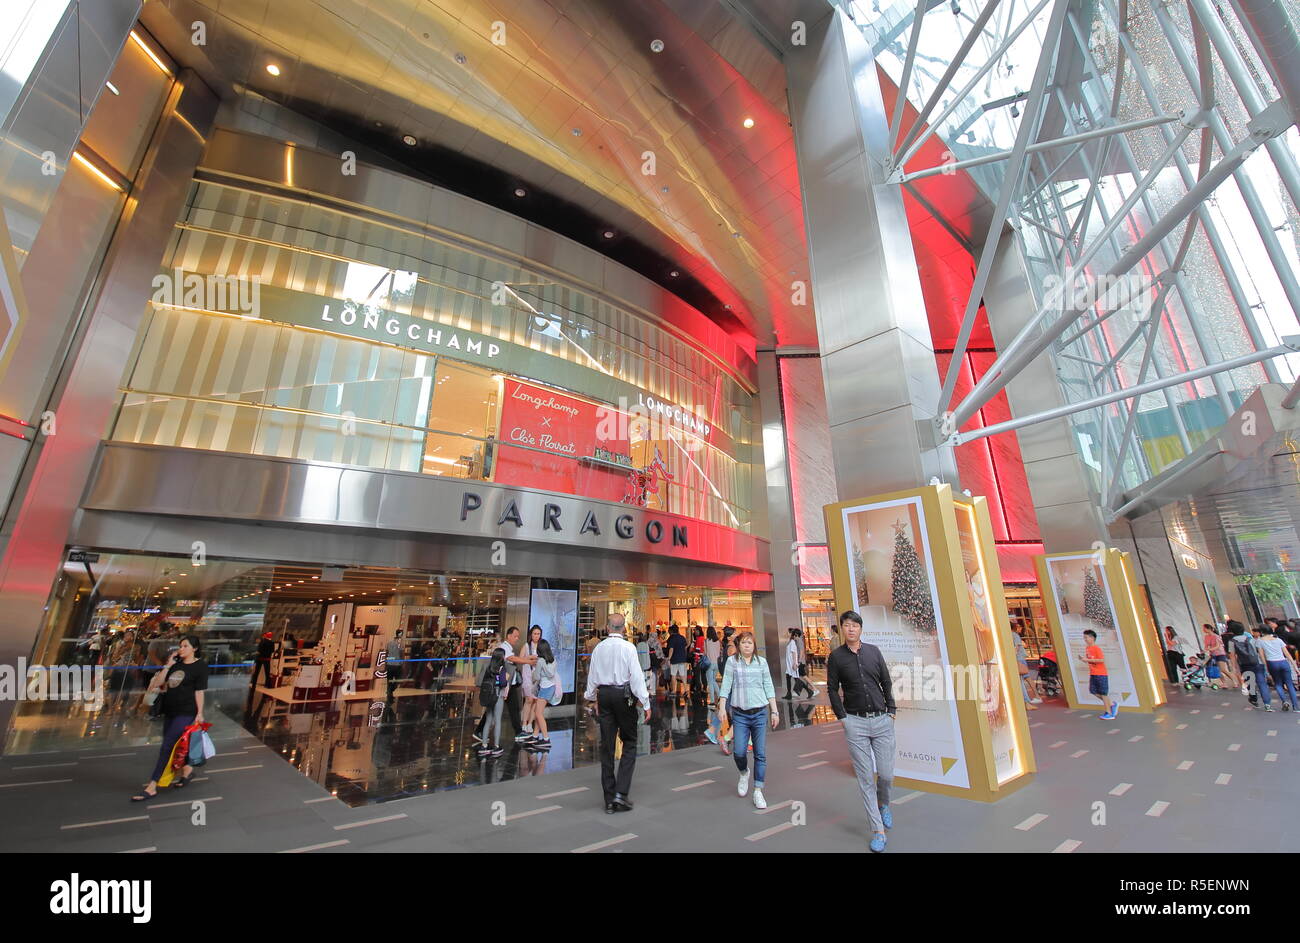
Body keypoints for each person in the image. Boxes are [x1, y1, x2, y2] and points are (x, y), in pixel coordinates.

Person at [826, 611, 896, 853]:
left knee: (886, 773)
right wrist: (842, 718)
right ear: (843, 629)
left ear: (860, 629)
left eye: (855, 625)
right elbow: (832, 689)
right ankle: (878, 830)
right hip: (855, 722)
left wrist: (892, 710)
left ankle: (883, 803)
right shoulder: (836, 657)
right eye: (847, 625)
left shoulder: (874, 652)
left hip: (881, 721)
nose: (851, 629)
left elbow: (886, 681)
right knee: (866, 778)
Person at [583, 614, 650, 813]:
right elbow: (636, 677)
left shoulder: (599, 648)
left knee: (607, 746)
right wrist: (645, 702)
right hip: (623, 696)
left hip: (604, 696)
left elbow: (592, 676)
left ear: (607, 628)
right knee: (629, 741)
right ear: (623, 629)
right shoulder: (629, 648)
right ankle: (621, 793)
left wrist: (591, 697)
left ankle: (609, 799)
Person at [131, 635, 207, 801]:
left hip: (187, 712)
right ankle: (187, 770)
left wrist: (200, 713)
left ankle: (152, 785)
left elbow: (199, 691)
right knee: (178, 743)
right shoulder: (176, 665)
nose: (181, 649)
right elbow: (156, 684)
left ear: (194, 648)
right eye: (180, 646)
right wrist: (168, 666)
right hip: (170, 710)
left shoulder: (200, 667)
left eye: (185, 646)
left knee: (167, 746)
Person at [717, 630, 779, 809]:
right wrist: (722, 707)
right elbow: (726, 684)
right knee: (739, 752)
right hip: (740, 714)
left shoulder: (762, 663)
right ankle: (744, 773)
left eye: (749, 643)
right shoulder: (732, 662)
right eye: (743, 643)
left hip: (760, 713)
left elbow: (768, 686)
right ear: (739, 645)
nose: (746, 646)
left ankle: (758, 791)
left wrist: (774, 711)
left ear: (754, 646)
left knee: (760, 754)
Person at [499, 626, 536, 741]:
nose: (516, 639)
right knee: (498, 708)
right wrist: (528, 661)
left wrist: (528, 658)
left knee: (514, 708)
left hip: (510, 683)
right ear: (509, 636)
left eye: (518, 637)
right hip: (505, 683)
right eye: (515, 636)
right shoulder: (504, 647)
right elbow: (513, 659)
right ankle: (480, 731)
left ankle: (519, 732)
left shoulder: (509, 647)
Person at [1255, 624, 1299, 712]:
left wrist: (1266, 667)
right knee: (1289, 684)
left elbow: (1262, 655)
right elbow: (1287, 654)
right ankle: (1296, 707)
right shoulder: (1278, 640)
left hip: (1272, 663)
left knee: (1278, 683)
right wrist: (1295, 667)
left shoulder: (1260, 641)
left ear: (1261, 632)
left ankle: (1284, 701)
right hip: (1283, 662)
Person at [477, 647, 508, 757]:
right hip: (498, 696)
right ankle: (496, 746)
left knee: (488, 720)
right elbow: (503, 683)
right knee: (498, 721)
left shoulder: (488, 666)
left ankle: (484, 745)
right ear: (501, 657)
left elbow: (481, 681)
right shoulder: (501, 668)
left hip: (488, 696)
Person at [528, 639, 559, 750]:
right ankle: (535, 735)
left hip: (545, 688)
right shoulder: (553, 659)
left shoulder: (541, 661)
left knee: (538, 713)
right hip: (551, 687)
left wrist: (534, 675)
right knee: (538, 712)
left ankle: (546, 738)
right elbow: (551, 673)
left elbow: (536, 676)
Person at [1081, 629, 1116, 719]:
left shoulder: (1096, 648)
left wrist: (1087, 660)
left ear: (1092, 638)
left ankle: (1109, 712)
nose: (1085, 639)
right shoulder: (1088, 648)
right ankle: (1112, 704)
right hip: (1093, 673)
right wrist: (1084, 659)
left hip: (1101, 673)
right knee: (1093, 691)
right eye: (1084, 637)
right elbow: (1091, 660)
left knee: (1103, 693)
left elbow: (1101, 660)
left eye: (1086, 637)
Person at [518, 625, 543, 743]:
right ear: (531, 634)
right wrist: (529, 659)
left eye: (538, 634)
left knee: (536, 701)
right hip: (528, 675)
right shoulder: (526, 646)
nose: (536, 636)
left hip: (538, 676)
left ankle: (530, 723)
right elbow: (520, 659)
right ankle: (524, 723)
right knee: (528, 699)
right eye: (534, 634)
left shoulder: (542, 646)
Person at [1230, 625, 1263, 708]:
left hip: (1244, 663)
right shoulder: (1250, 639)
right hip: (1255, 661)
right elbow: (1256, 651)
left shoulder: (1231, 641)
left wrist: (1234, 667)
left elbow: (1232, 655)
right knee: (1260, 679)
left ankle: (1254, 698)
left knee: (1249, 680)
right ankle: (1265, 697)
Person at [1010, 624, 1040, 709]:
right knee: (1024, 679)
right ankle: (1032, 698)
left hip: (1018, 659)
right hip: (1019, 659)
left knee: (1024, 679)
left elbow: (1017, 647)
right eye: (1019, 627)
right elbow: (1017, 647)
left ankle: (1031, 699)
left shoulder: (1013, 635)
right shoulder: (1014, 635)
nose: (1020, 628)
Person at [783, 628, 816, 699]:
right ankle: (789, 694)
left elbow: (795, 653)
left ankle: (809, 690)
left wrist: (796, 663)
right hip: (790, 664)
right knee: (790, 678)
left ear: (793, 634)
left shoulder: (793, 642)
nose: (787, 634)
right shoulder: (791, 641)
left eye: (789, 633)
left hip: (793, 664)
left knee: (796, 679)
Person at [1202, 623, 1236, 689]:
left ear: (1209, 629)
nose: (1203, 629)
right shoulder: (1206, 637)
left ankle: (1234, 681)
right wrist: (1205, 650)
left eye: (1204, 628)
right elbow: (1206, 645)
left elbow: (1217, 646)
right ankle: (1224, 683)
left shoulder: (1216, 636)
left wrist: (1209, 649)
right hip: (1212, 655)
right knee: (1218, 670)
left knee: (1223, 669)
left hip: (1220, 654)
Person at [665, 624, 690, 703]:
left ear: (672, 631)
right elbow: (687, 644)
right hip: (682, 659)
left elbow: (671, 649)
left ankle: (673, 691)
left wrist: (669, 658)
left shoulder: (672, 638)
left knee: (673, 675)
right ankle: (686, 690)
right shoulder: (682, 637)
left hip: (674, 659)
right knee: (683, 675)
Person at [703, 627, 721, 705]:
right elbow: (719, 652)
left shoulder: (706, 641)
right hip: (717, 663)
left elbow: (705, 653)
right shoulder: (718, 641)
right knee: (713, 680)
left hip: (709, 663)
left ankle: (713, 701)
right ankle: (720, 697)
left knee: (710, 682)